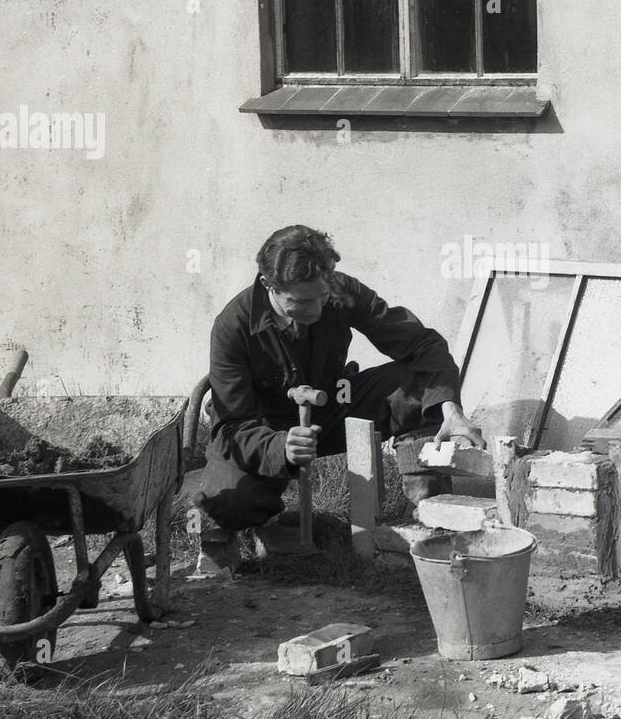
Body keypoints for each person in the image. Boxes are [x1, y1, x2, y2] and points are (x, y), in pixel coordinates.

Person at [195, 225, 484, 540]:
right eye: (302, 302)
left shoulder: (340, 290)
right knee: (230, 505)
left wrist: (449, 407)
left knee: (417, 382)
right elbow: (232, 427)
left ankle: (430, 512)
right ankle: (269, 522)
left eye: (321, 297)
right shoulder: (231, 327)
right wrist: (281, 447)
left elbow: (421, 343)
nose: (316, 310)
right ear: (268, 285)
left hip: (333, 407)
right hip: (265, 429)